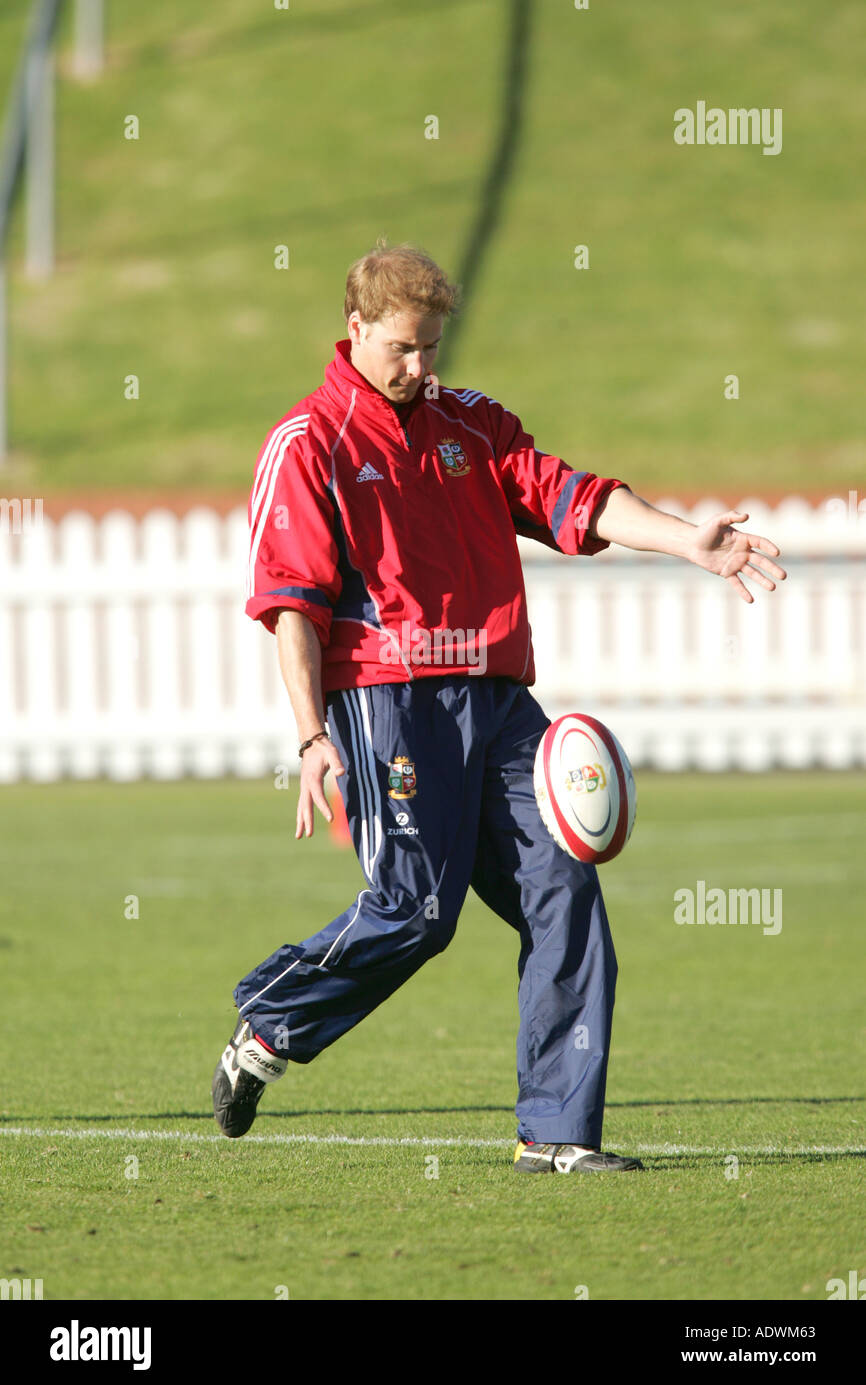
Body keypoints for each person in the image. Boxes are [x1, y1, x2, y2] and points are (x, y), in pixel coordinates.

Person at [212, 240, 786, 1174]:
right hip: (388, 703)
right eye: (403, 347)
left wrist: (694, 544)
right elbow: (291, 609)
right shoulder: (307, 443)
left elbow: (574, 497)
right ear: (355, 331)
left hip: (501, 701)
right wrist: (312, 735)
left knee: (567, 888)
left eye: (433, 347)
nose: (420, 367)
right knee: (416, 912)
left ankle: (556, 1134)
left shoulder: (472, 426)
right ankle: (272, 1019)